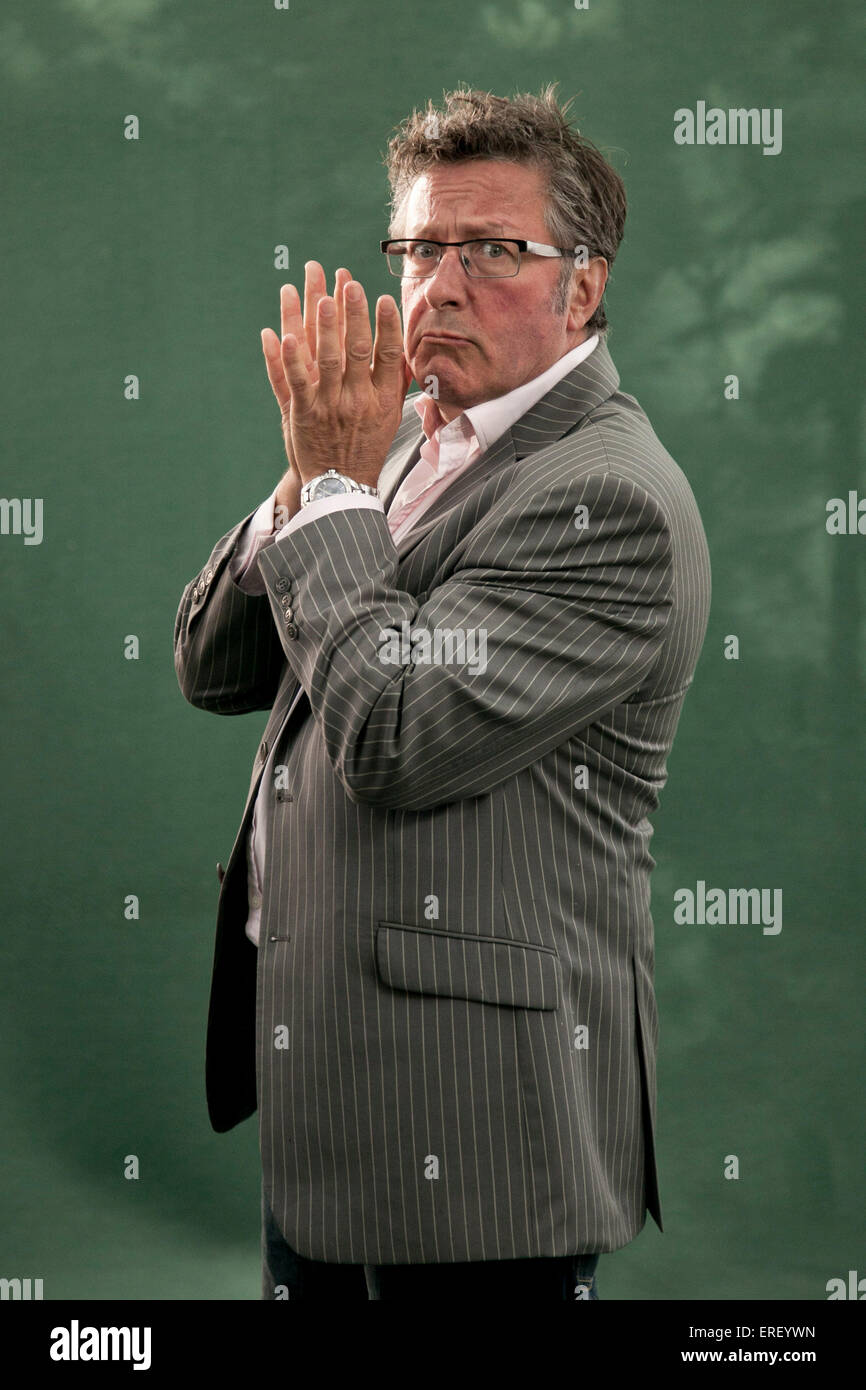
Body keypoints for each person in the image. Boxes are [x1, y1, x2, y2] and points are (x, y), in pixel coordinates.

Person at [174, 85, 711, 1301]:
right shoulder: (411, 437)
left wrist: (331, 488)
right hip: (330, 1110)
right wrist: (316, 475)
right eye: (419, 247)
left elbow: (397, 733)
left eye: (493, 251)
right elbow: (213, 665)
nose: (442, 283)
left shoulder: (605, 501)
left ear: (583, 286)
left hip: (475, 1147)